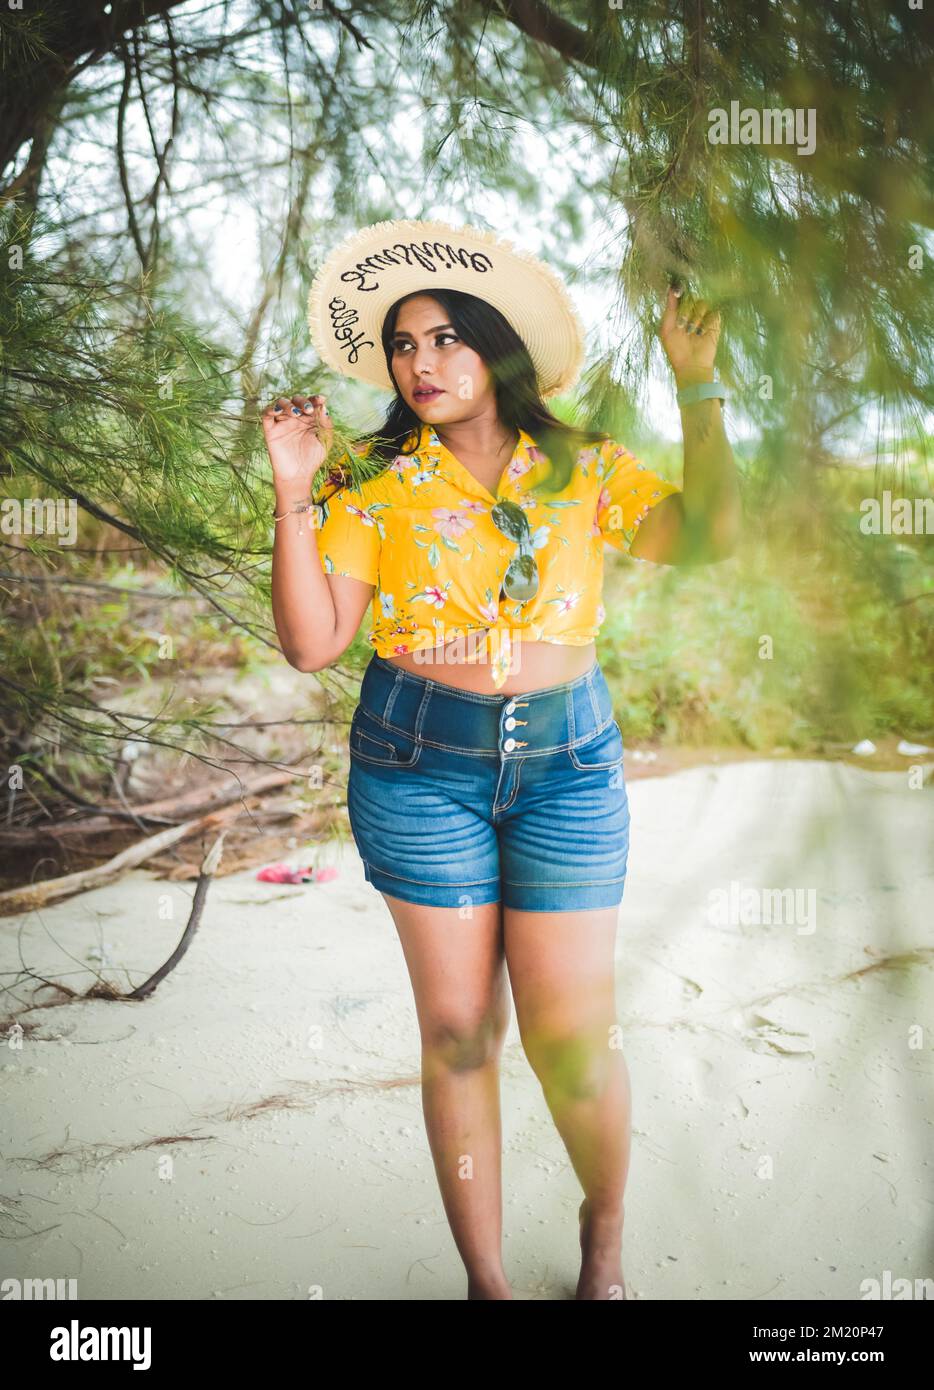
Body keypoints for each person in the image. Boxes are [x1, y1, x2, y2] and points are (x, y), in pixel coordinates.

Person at [263, 219, 741, 1300]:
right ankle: (486, 1281)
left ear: (496, 350)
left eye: (445, 339)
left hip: (567, 766)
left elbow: (705, 537)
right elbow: (310, 642)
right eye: (402, 346)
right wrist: (295, 483)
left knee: (568, 1037)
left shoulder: (579, 468)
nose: (421, 364)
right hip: (417, 764)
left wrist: (697, 384)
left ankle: (603, 1236)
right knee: (458, 1031)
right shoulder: (371, 481)